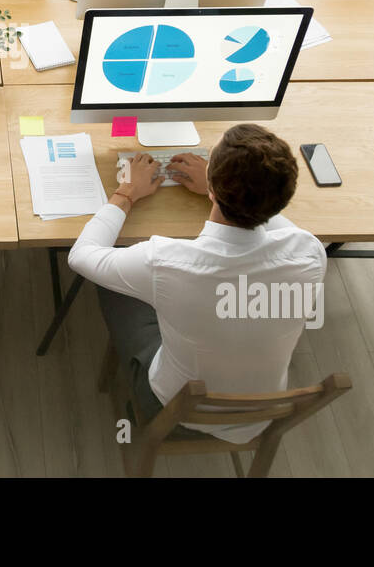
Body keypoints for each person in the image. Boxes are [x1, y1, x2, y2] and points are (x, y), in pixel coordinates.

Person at [69, 124, 326, 443]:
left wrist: (126, 193)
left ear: (213, 189)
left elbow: (81, 256)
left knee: (113, 282)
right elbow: (272, 217)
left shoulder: (165, 260)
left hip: (173, 409)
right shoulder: (310, 251)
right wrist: (221, 186)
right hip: (260, 416)